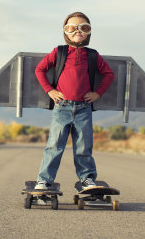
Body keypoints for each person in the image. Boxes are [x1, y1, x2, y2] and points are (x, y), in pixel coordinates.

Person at [34, 11, 115, 190]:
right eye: (72, 28)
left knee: (83, 146)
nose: (77, 31)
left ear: (88, 33)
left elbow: (109, 74)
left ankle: (87, 179)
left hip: (84, 108)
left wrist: (97, 93)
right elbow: (39, 70)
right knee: (54, 146)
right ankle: (44, 180)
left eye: (83, 27)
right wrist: (50, 90)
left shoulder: (92, 55)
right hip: (61, 107)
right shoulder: (59, 52)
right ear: (65, 32)